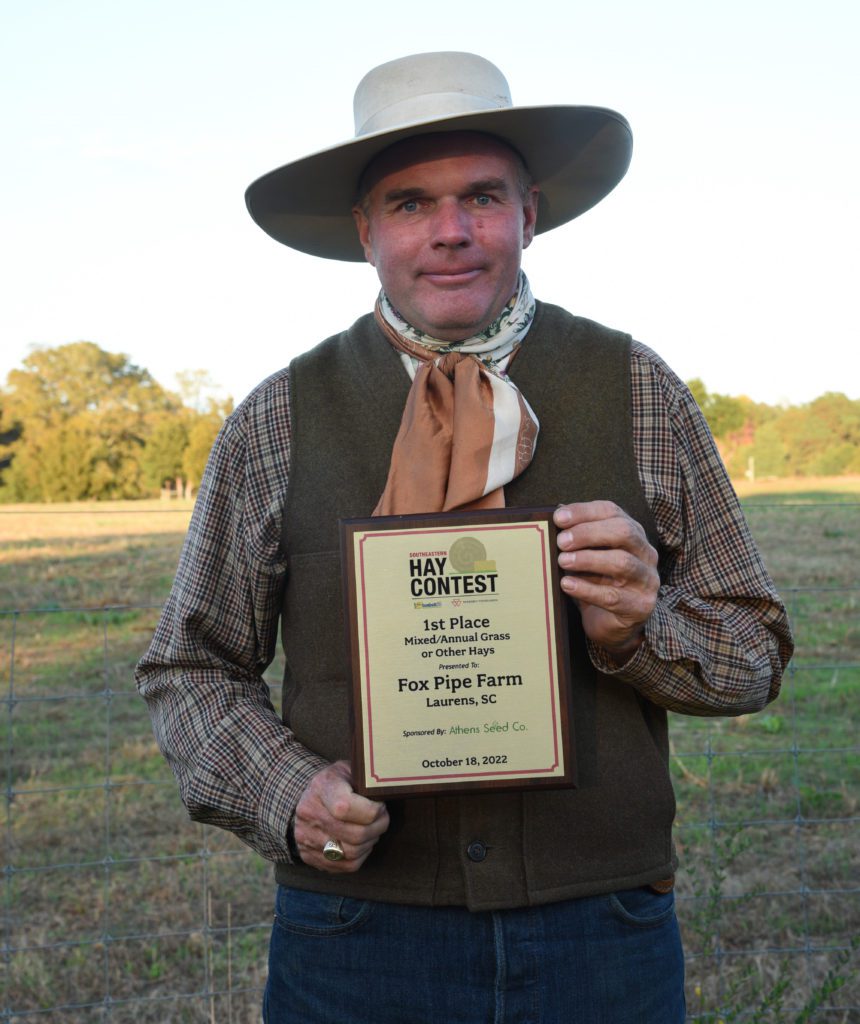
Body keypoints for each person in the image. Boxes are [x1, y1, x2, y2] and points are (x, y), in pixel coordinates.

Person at [136, 52, 793, 1023]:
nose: (449, 232)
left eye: (480, 197)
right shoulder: (276, 418)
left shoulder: (634, 388)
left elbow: (754, 654)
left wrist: (640, 627)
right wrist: (286, 792)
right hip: (356, 938)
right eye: (409, 203)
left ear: (529, 213)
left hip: (599, 932)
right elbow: (189, 665)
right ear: (363, 232)